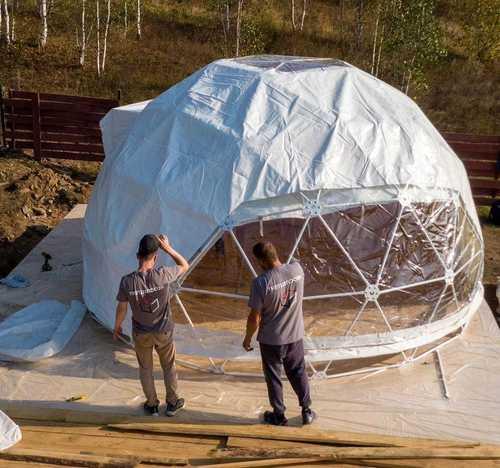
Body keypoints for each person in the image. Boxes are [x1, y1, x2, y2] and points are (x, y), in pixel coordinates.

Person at [114, 234, 189, 417]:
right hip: (163, 331)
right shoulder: (162, 274)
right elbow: (184, 265)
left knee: (145, 368)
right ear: (155, 256)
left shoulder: (127, 281)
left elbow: (122, 308)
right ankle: (172, 403)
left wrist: (117, 327)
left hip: (141, 333)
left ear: (137, 255)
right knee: (168, 366)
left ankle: (152, 404)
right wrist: (167, 248)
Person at [243, 241, 316, 426]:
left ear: (260, 261)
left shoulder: (261, 283)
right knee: (298, 371)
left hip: (271, 340)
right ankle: (306, 410)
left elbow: (254, 317)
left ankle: (279, 414)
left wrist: (247, 338)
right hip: (295, 335)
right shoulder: (297, 270)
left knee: (274, 377)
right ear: (275, 253)